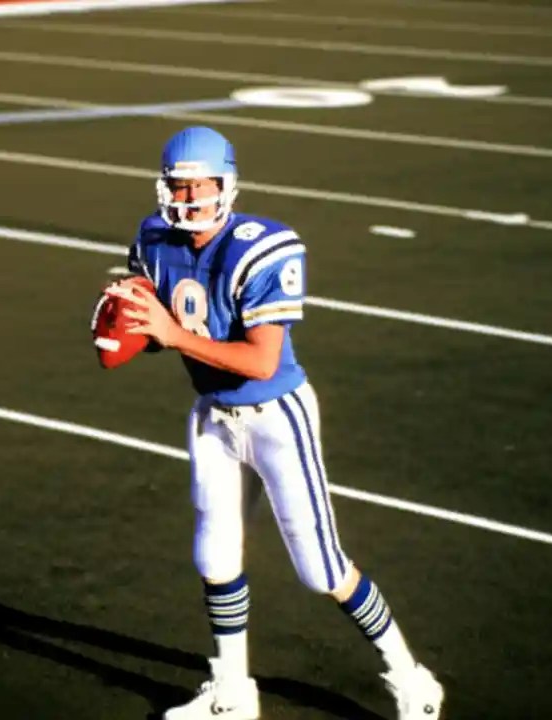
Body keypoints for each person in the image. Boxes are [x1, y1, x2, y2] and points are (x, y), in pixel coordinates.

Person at [105, 126, 445, 720]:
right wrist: (131, 327)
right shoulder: (154, 240)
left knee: (322, 569)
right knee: (215, 558)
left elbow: (261, 360)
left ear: (225, 185)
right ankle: (233, 693)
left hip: (275, 418)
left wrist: (172, 334)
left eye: (200, 185)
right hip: (213, 414)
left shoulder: (262, 247)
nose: (188, 197)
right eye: (179, 185)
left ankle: (410, 676)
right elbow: (166, 328)